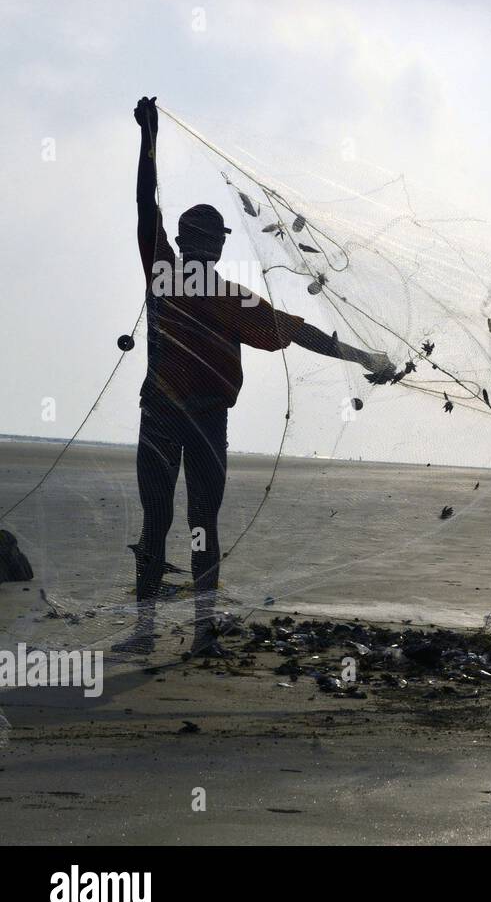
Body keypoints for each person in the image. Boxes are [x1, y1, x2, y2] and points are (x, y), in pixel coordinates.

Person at [123, 96, 393, 656]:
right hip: (201, 423)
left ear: (184, 240)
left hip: (163, 417)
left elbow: (144, 204)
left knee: (158, 520)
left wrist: (147, 140)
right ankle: (199, 634)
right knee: (200, 521)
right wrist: (363, 356)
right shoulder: (226, 296)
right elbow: (299, 332)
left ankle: (149, 632)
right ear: (219, 244)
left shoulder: (165, 274)